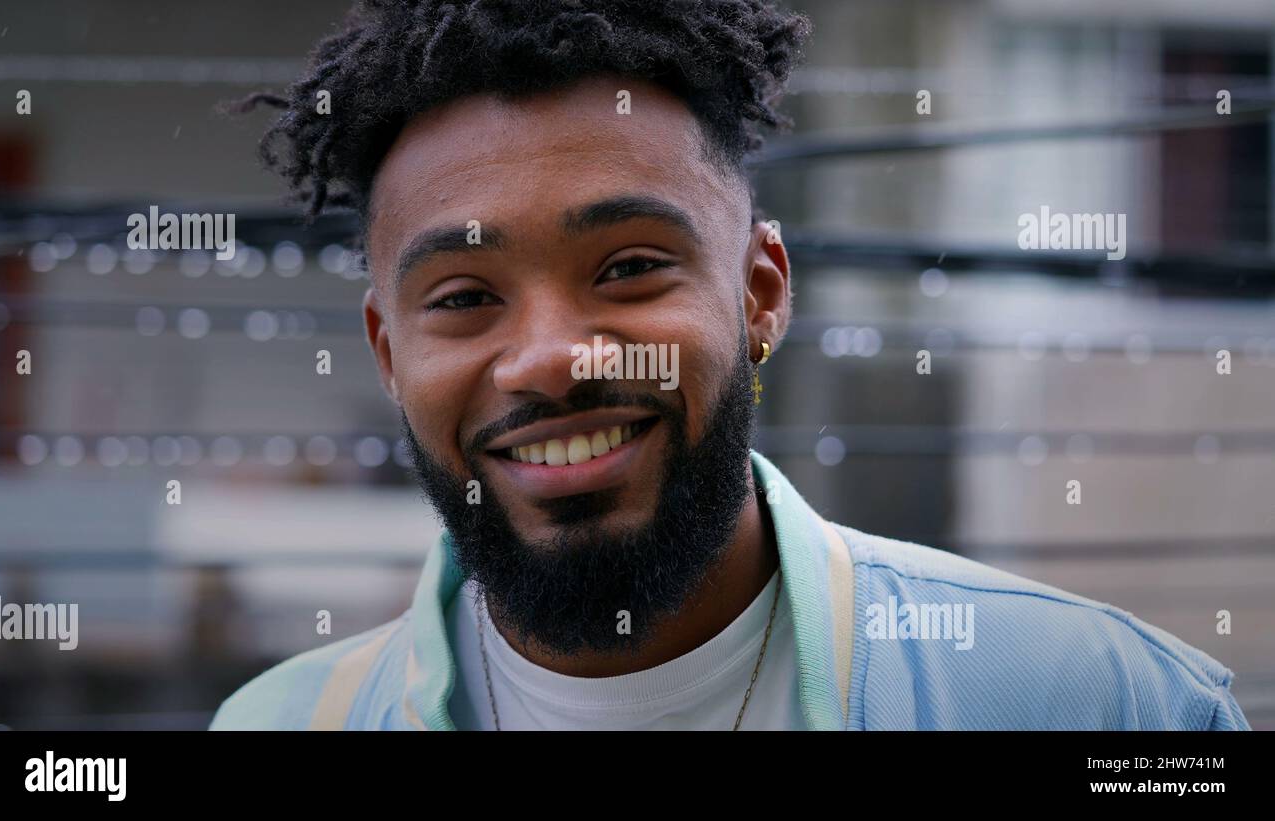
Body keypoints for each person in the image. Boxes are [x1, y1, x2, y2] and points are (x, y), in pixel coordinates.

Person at [210, 0, 1248, 730]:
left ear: (759, 292)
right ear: (390, 353)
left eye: (627, 268)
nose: (550, 360)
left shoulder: (1101, 707)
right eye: (465, 297)